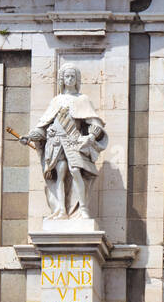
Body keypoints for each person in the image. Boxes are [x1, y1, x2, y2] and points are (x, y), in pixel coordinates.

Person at [21, 64, 108, 221]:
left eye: (72, 76)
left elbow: (96, 124)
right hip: (56, 143)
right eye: (67, 76)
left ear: (77, 79)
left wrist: (91, 137)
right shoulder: (56, 101)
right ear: (62, 79)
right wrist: (29, 137)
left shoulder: (83, 100)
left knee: (75, 170)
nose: (70, 79)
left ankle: (82, 208)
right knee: (59, 175)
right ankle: (61, 210)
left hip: (74, 142)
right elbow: (43, 126)